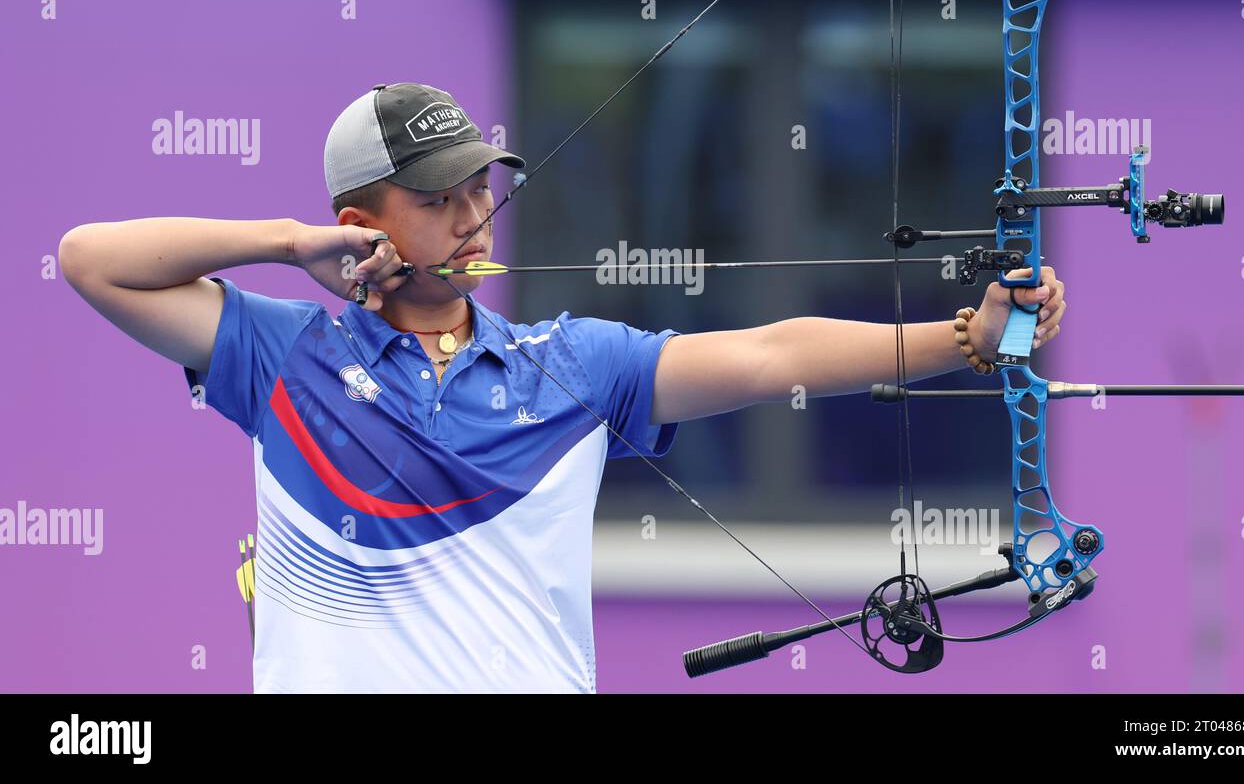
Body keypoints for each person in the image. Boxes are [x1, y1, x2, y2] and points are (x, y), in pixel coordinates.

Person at [59, 83, 1066, 692]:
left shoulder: (570, 363)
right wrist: (287, 244)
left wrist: (964, 337)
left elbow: (772, 355)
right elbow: (89, 259)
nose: (471, 215)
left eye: (477, 189)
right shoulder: (285, 359)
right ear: (359, 219)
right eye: (434, 197)